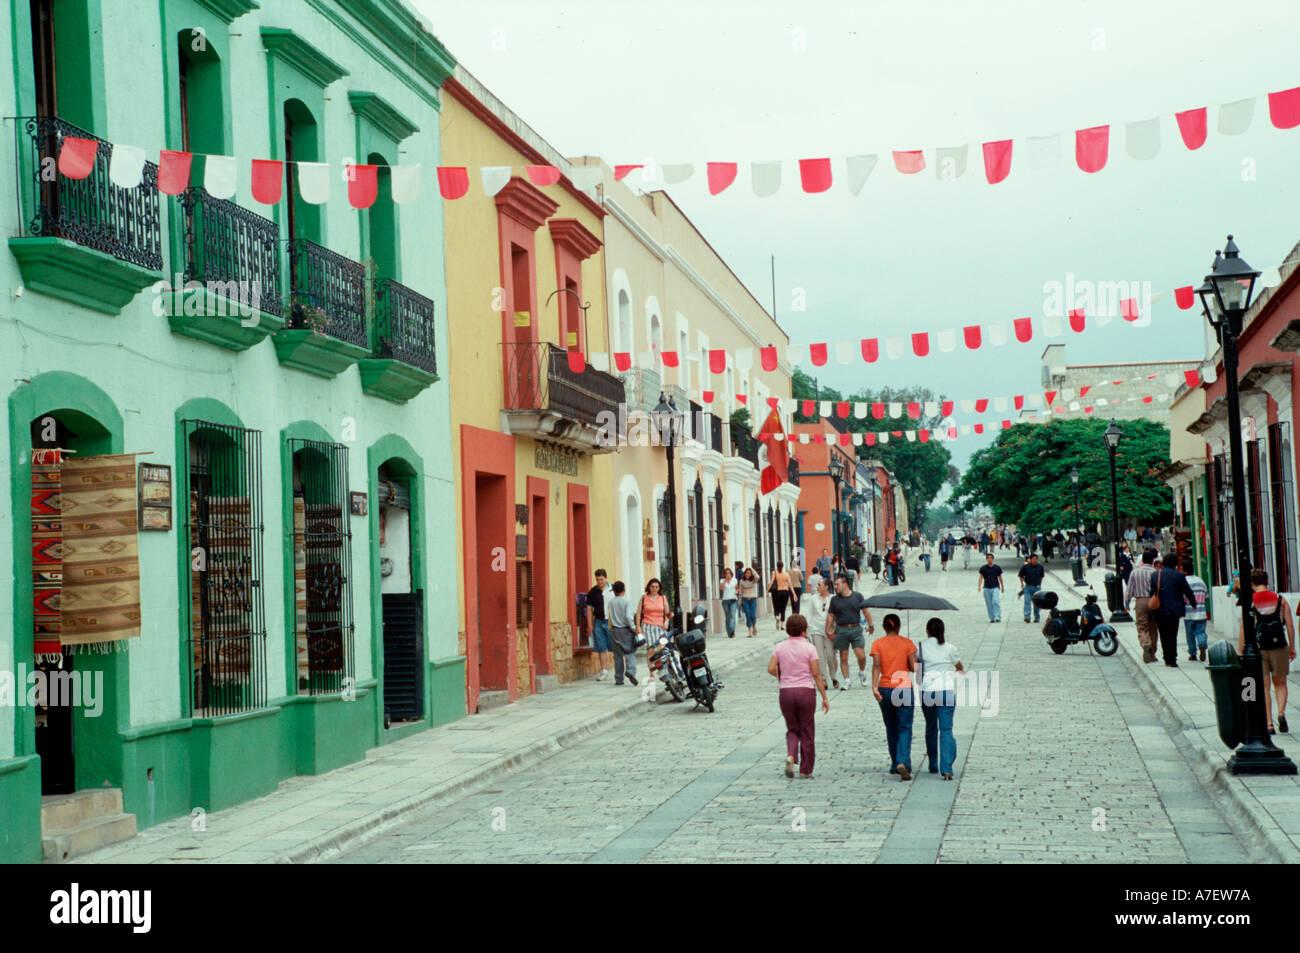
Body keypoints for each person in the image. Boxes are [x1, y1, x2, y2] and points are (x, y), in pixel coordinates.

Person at [768, 614, 829, 779]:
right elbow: (816, 674)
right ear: (804, 630)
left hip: (786, 692)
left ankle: (791, 755)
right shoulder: (810, 648)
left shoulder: (780, 647)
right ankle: (805, 770)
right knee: (807, 730)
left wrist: (783, 678)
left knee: (792, 729)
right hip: (805, 692)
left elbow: (771, 668)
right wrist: (824, 697)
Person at [1240, 569, 1296, 734]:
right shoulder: (1281, 600)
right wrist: (1292, 647)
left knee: (1264, 687)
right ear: (1268, 581)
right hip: (1279, 645)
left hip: (1260, 647)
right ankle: (1281, 713)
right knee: (1280, 683)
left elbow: (1245, 628)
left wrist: (1241, 650)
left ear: (1252, 584)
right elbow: (1290, 625)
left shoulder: (1250, 601)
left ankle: (1269, 723)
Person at [870, 613, 917, 781]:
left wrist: (874, 687)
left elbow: (876, 665)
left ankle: (894, 763)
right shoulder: (907, 643)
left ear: (884, 627)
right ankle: (903, 761)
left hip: (885, 688)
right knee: (905, 727)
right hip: (903, 688)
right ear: (898, 627)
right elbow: (913, 667)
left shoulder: (877, 644)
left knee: (891, 727)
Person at [918, 617, 964, 779]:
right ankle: (946, 768)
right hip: (946, 691)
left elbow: (917, 670)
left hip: (927, 692)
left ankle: (932, 763)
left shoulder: (921, 647)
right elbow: (958, 665)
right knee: (946, 729)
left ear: (927, 631)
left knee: (931, 727)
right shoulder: (950, 648)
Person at [827, 573, 876, 690]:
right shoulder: (834, 600)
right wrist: (828, 629)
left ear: (845, 584)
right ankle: (847, 680)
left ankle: (862, 671)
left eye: (837, 584)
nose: (836, 587)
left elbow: (865, 611)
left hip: (856, 629)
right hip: (841, 629)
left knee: (861, 656)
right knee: (843, 657)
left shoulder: (858, 596)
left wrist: (871, 625)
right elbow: (830, 616)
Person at [1150, 550, 1196, 667]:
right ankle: (1173, 658)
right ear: (1176, 563)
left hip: (1160, 609)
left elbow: (1152, 592)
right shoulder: (1179, 575)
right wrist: (1193, 603)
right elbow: (1188, 591)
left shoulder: (1156, 575)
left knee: (1163, 634)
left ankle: (1166, 656)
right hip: (1174, 609)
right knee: (1172, 634)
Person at [1124, 548, 1160, 663]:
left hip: (1140, 601)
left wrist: (1126, 603)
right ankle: (1153, 654)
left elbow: (1129, 590)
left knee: (1142, 625)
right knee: (1153, 627)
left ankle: (1145, 643)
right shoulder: (1155, 573)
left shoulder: (1135, 572)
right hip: (1154, 601)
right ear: (1153, 561)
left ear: (1142, 560)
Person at [805, 576, 838, 689]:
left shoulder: (834, 599)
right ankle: (823, 678)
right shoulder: (813, 598)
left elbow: (837, 615)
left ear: (827, 587)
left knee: (830, 654)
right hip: (816, 629)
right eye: (817, 584)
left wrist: (835, 629)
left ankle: (833, 675)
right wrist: (807, 630)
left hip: (829, 630)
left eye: (819, 584)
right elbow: (809, 614)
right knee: (819, 655)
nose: (817, 586)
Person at [634, 578, 671, 680]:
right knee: (650, 650)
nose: (654, 589)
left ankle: (665, 669)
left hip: (660, 627)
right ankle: (651, 673)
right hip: (647, 626)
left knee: (662, 648)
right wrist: (637, 626)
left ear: (659, 588)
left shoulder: (663, 598)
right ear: (649, 587)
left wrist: (666, 621)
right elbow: (638, 613)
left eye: (656, 587)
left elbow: (667, 613)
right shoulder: (644, 598)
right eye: (652, 587)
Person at [607, 581, 639, 687]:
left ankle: (619, 679)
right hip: (626, 630)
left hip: (614, 630)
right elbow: (628, 617)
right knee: (629, 652)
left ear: (614, 591)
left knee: (617, 656)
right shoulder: (627, 601)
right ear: (624, 590)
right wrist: (634, 629)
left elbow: (610, 616)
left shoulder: (611, 602)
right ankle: (630, 671)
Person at [586, 570, 613, 681]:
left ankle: (620, 671)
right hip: (598, 621)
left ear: (606, 578)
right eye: (597, 579)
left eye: (601, 579)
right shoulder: (593, 591)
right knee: (601, 647)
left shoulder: (613, 590)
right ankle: (604, 671)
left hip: (612, 622)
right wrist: (590, 625)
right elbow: (589, 609)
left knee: (614, 646)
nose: (599, 582)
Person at [1182, 556, 1210, 663]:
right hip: (1201, 613)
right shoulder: (1200, 581)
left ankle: (1193, 653)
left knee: (1190, 635)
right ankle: (1202, 644)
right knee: (1200, 631)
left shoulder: (1184, 582)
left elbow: (1182, 597)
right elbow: (1206, 596)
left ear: (1184, 570)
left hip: (1189, 613)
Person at [1018, 553, 1046, 624]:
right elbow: (1021, 575)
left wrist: (1040, 584)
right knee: (1027, 601)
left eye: (1036, 559)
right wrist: (1022, 583)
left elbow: (1041, 576)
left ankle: (1037, 617)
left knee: (1037, 603)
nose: (1034, 560)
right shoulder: (1025, 567)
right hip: (1028, 587)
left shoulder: (1040, 567)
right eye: (1033, 559)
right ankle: (1027, 617)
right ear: (1030, 559)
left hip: (1037, 587)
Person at [978, 552, 1004, 623]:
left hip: (995, 587)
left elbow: (1000, 577)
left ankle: (997, 616)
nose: (989, 559)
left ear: (993, 559)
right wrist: (979, 586)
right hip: (986, 587)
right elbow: (981, 577)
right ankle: (992, 617)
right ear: (986, 559)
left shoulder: (997, 568)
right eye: (988, 558)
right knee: (989, 603)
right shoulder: (983, 568)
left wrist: (1002, 586)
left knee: (995, 601)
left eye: (991, 558)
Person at [768, 561, 794, 630]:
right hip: (785, 592)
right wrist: (794, 594)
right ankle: (782, 625)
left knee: (776, 606)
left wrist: (767, 590)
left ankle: (777, 617)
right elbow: (790, 585)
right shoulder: (786, 574)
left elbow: (771, 582)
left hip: (777, 592)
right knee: (783, 608)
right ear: (783, 566)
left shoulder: (774, 573)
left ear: (777, 566)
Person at [737, 567, 760, 638]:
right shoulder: (741, 581)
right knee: (747, 615)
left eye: (749, 573)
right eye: (746, 573)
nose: (748, 574)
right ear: (744, 574)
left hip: (753, 599)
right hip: (745, 599)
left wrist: (751, 569)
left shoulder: (754, 580)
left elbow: (757, 576)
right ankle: (749, 632)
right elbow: (740, 592)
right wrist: (740, 602)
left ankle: (754, 626)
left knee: (753, 615)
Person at [719, 567, 739, 639]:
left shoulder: (735, 580)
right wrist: (725, 581)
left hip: (733, 599)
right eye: (726, 573)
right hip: (725, 600)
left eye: (729, 573)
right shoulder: (722, 580)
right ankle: (729, 632)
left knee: (732, 616)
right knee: (728, 617)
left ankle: (732, 630)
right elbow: (721, 588)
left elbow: (737, 588)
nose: (728, 575)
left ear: (731, 574)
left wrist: (737, 591)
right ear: (724, 574)